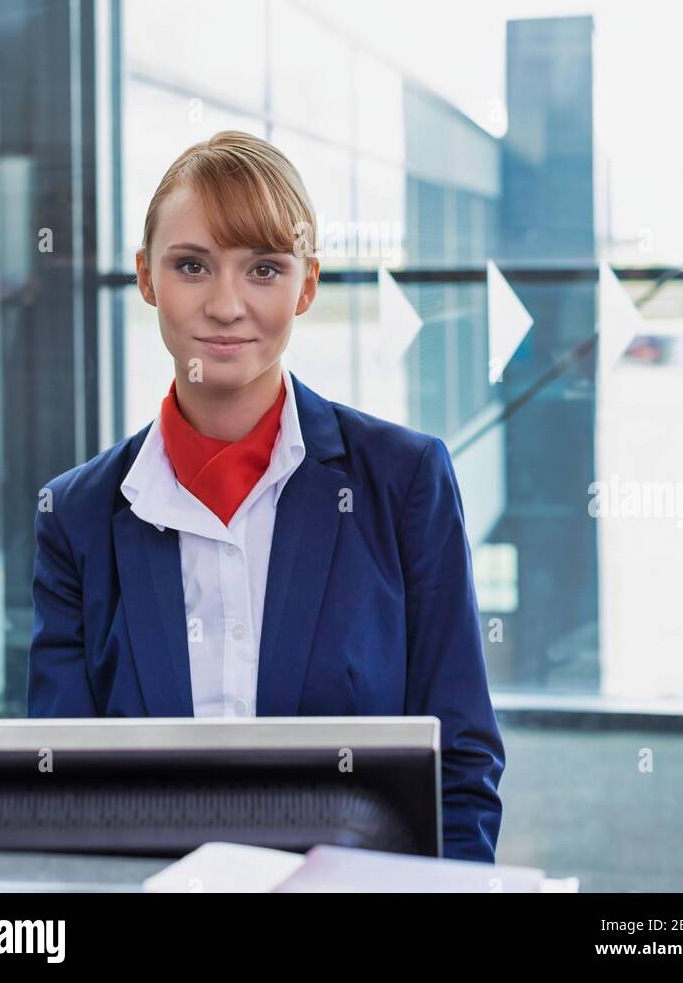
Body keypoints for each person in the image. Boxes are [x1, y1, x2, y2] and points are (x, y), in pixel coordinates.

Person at [27, 129, 505, 861]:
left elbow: (461, 768)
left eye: (263, 269)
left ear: (306, 285)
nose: (226, 306)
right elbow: (59, 799)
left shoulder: (403, 481)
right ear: (147, 277)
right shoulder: (78, 519)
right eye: (192, 266)